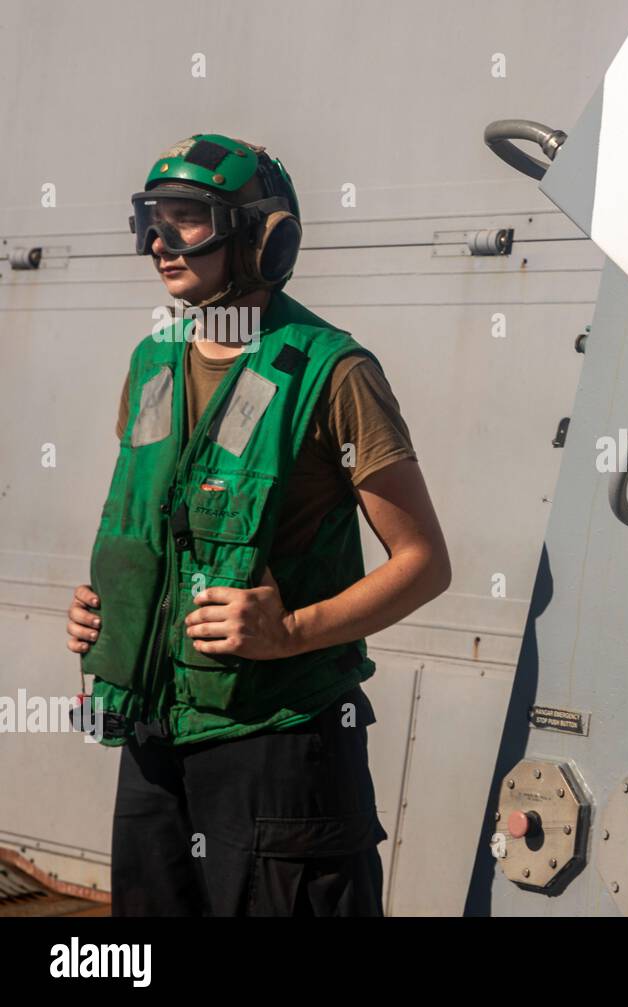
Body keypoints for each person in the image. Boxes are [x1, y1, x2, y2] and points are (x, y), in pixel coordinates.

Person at [64, 133, 452, 916]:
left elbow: (425, 562)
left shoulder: (332, 372)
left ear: (263, 238)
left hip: (281, 751)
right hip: (156, 738)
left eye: (187, 219)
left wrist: (293, 629)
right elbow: (162, 528)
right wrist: (109, 608)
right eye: (151, 219)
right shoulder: (152, 362)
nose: (159, 243)